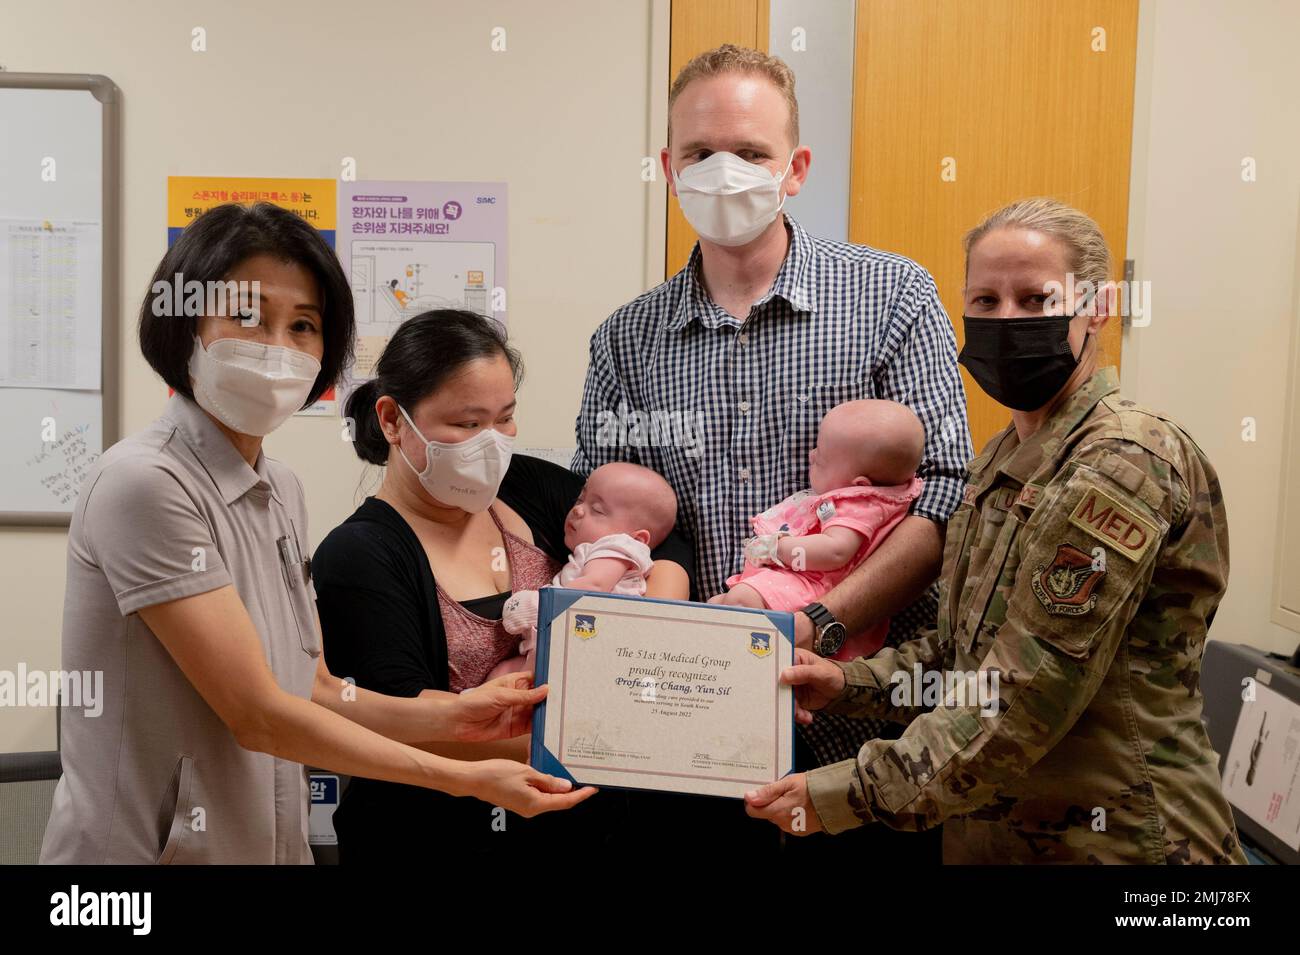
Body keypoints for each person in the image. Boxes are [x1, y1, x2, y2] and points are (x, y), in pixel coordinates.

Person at [40, 204, 591, 866]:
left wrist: (461, 714)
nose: (277, 344)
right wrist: (465, 775)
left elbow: (319, 690)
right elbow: (259, 713)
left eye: (303, 324)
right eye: (248, 314)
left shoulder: (281, 491)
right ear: (184, 323)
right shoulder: (146, 483)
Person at [744, 198, 1247, 864]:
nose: (1005, 319)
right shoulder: (998, 460)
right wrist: (850, 684)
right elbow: (964, 658)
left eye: (1036, 299)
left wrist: (844, 794)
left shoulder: (1123, 461)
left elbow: (1021, 695)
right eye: (985, 300)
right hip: (998, 838)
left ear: (1096, 308)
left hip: (1124, 845)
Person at [573, 43, 970, 852]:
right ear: (668, 167)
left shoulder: (893, 296)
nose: (725, 173)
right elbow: (609, 518)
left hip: (867, 734)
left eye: (751, 152)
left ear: (795, 168)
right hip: (688, 739)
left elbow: (944, 493)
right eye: (701, 153)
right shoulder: (625, 341)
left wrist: (819, 622)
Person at [313, 310, 694, 861]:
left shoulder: (527, 487)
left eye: (505, 418)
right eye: (467, 425)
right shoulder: (361, 556)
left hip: (584, 827)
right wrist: (607, 733)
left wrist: (653, 622)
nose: (491, 443)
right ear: (393, 420)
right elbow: (404, 725)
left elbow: (659, 532)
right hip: (435, 835)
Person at [710, 399, 924, 663]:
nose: (811, 455)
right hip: (803, 583)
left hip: (818, 589)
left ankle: (768, 686)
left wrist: (776, 548)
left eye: (820, 459)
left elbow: (835, 551)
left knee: (741, 601)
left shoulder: (858, 505)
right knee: (717, 605)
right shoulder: (867, 495)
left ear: (859, 483)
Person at [489, 461, 678, 679]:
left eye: (597, 510)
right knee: (504, 674)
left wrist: (534, 606)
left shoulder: (617, 547)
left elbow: (593, 587)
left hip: (588, 643)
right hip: (565, 641)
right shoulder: (592, 550)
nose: (578, 510)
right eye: (580, 499)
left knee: (515, 679)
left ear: (637, 538)